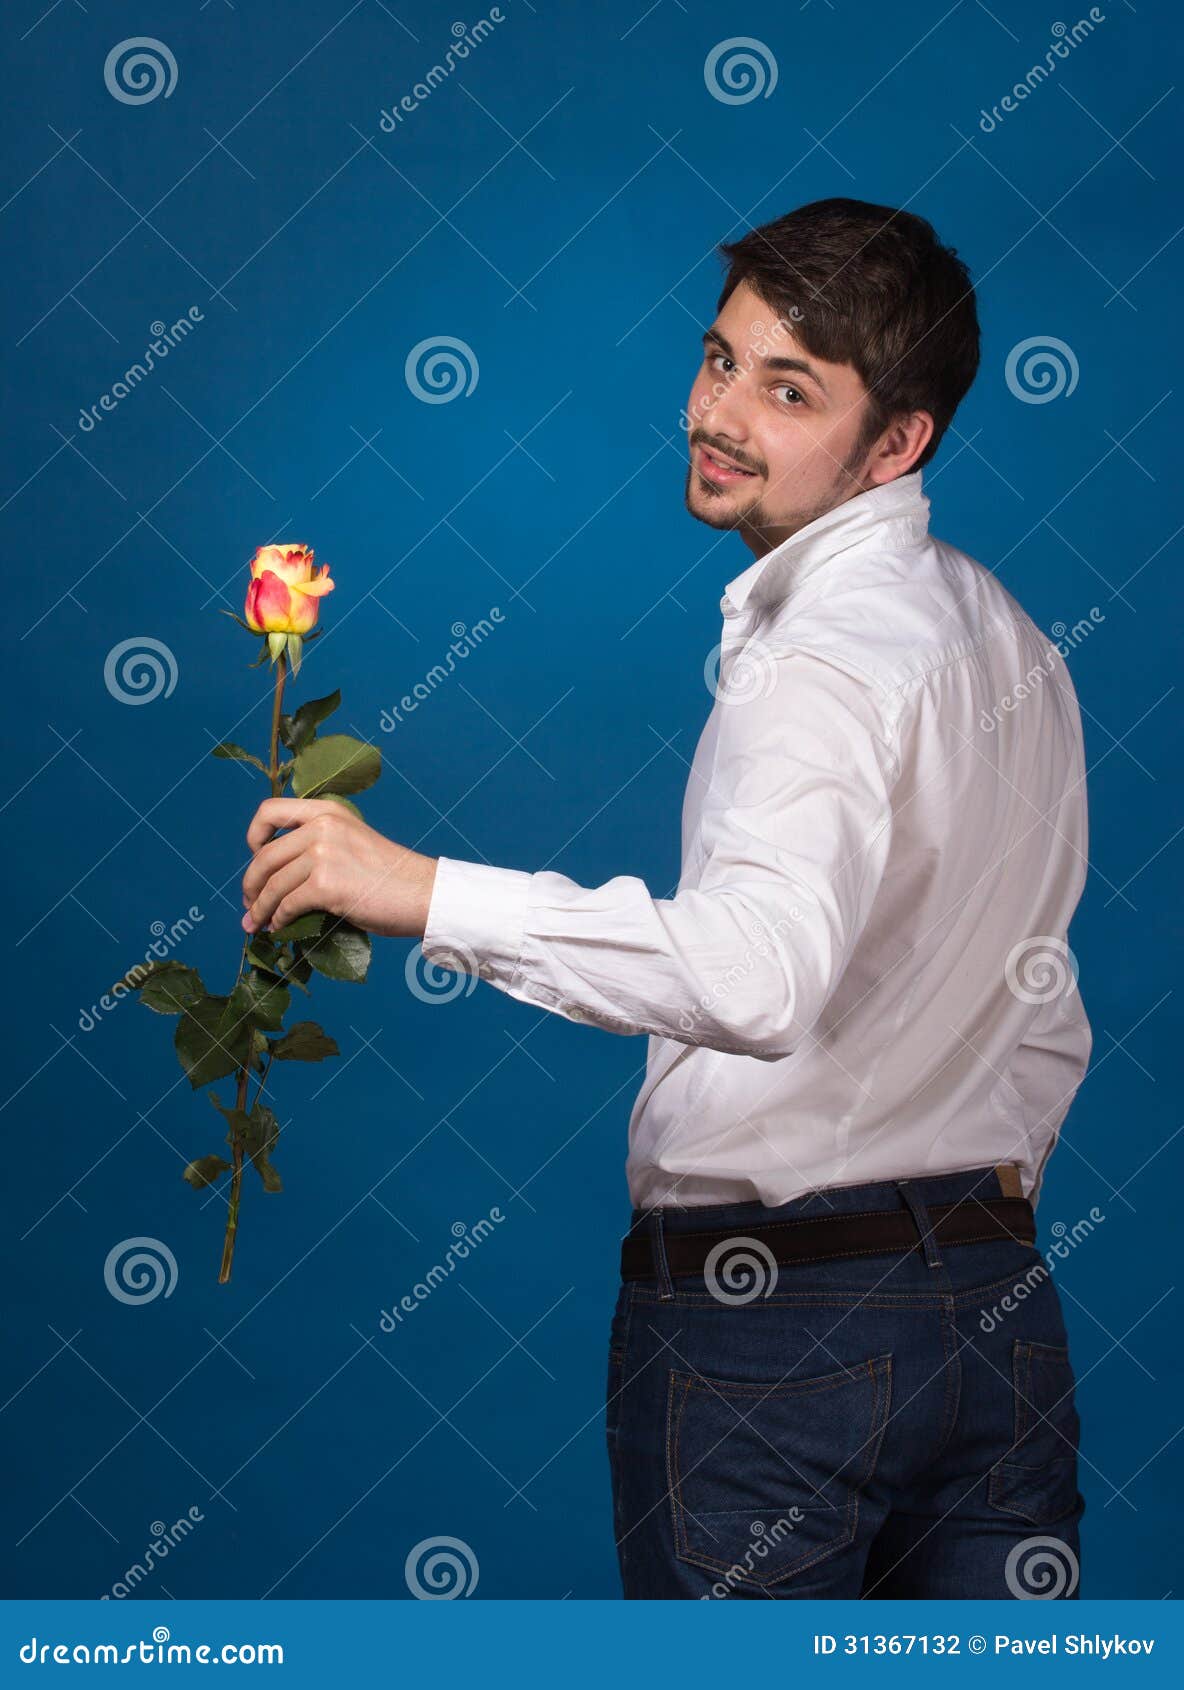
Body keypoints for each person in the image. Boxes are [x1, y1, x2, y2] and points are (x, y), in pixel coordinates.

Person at [240, 198, 1091, 1600]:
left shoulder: (818, 657)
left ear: (898, 443)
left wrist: (418, 888)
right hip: (999, 1322)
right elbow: (1036, 1012)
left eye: (789, 388)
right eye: (720, 360)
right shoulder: (1013, 643)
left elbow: (757, 979)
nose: (719, 413)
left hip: (780, 1331)